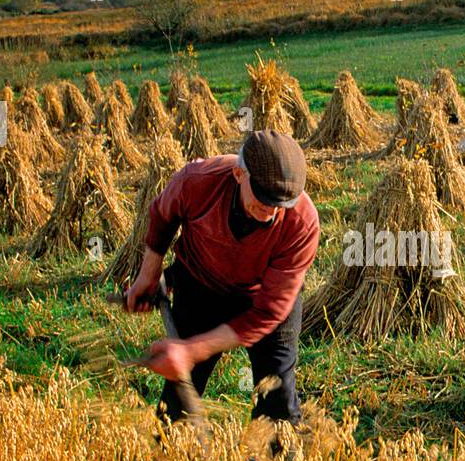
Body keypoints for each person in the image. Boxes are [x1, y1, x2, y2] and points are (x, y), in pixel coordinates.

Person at [125, 128, 319, 429]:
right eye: (264, 197)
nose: (270, 210)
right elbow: (163, 216)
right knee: (179, 393)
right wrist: (147, 277)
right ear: (239, 173)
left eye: (281, 203)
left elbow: (268, 312)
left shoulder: (302, 223)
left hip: (262, 297)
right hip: (201, 283)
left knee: (277, 396)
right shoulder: (198, 181)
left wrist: (191, 350)